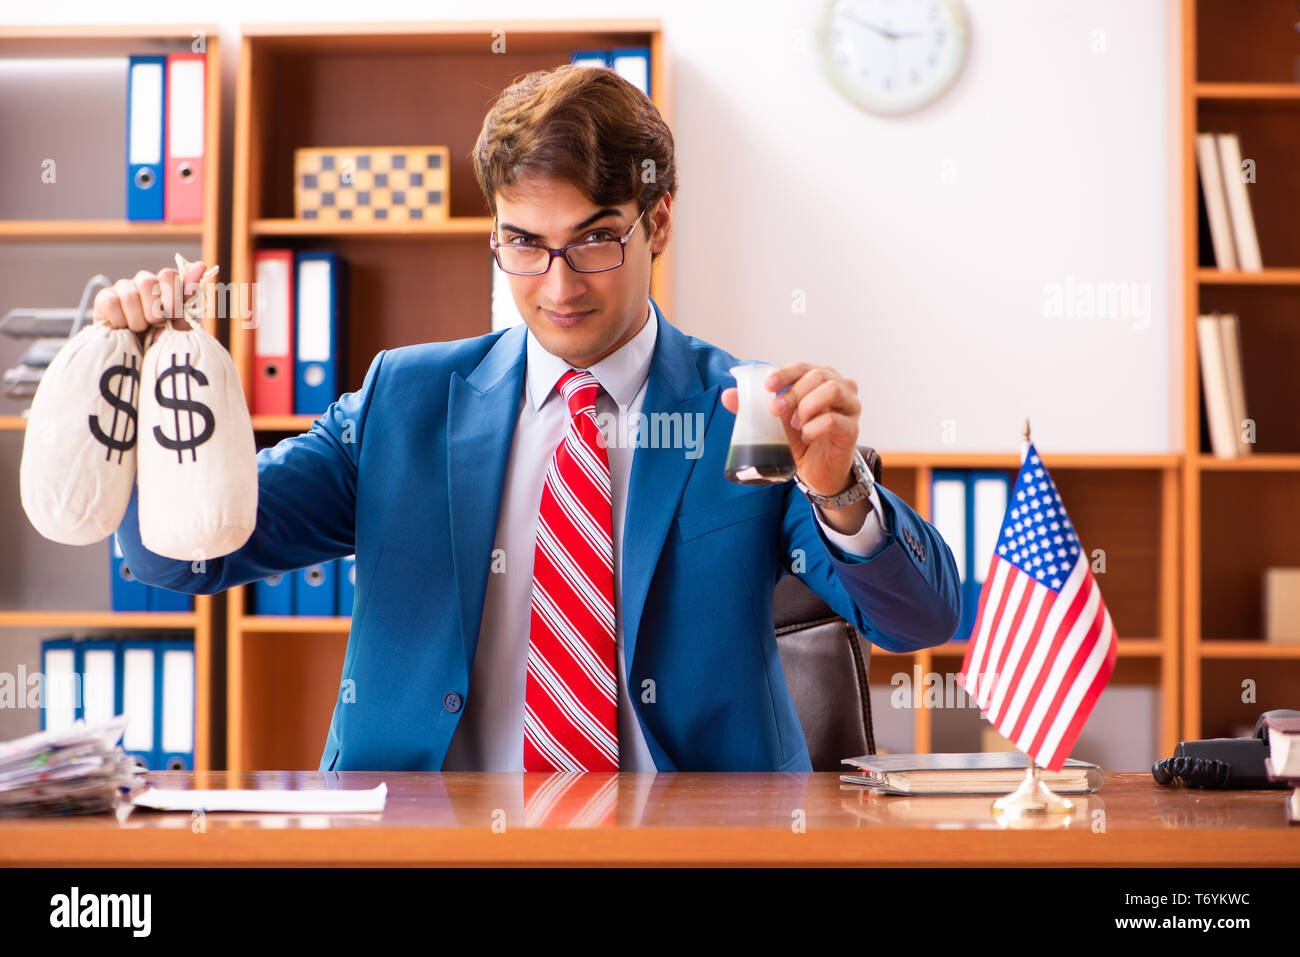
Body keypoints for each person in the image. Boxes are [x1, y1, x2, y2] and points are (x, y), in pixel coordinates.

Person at [103, 64, 961, 772]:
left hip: (688, 845)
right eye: (523, 243)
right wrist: (158, 394)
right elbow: (177, 554)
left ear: (657, 221)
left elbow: (919, 620)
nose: (557, 286)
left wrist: (842, 492)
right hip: (432, 844)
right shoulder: (405, 401)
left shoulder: (742, 408)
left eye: (594, 240)